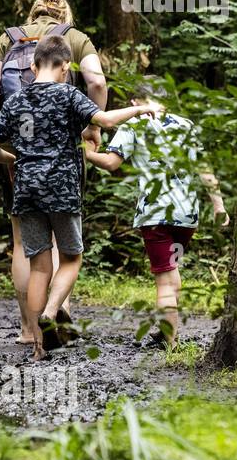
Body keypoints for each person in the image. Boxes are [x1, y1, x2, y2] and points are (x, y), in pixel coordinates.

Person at [0, 34, 152, 360]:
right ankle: (50, 313)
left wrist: (13, 159)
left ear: (32, 65)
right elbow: (104, 120)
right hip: (62, 190)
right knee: (71, 258)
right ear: (65, 67)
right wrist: (142, 109)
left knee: (39, 267)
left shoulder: (15, 101)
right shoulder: (70, 95)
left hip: (27, 193)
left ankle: (37, 346)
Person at [0, 0, 107, 344]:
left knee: (23, 244)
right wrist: (90, 127)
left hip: (17, 150)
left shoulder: (8, 38)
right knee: (63, 236)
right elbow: (96, 81)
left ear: (32, 13)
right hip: (63, 149)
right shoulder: (74, 38)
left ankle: (30, 330)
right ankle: (59, 314)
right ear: (64, 13)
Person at [84, 77, 228, 347]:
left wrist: (84, 153)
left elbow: (112, 163)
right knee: (172, 271)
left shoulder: (135, 123)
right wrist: (219, 206)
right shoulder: (187, 126)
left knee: (163, 279)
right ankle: (166, 332)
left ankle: (170, 343)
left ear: (135, 102)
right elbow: (205, 170)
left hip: (156, 215)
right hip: (187, 215)